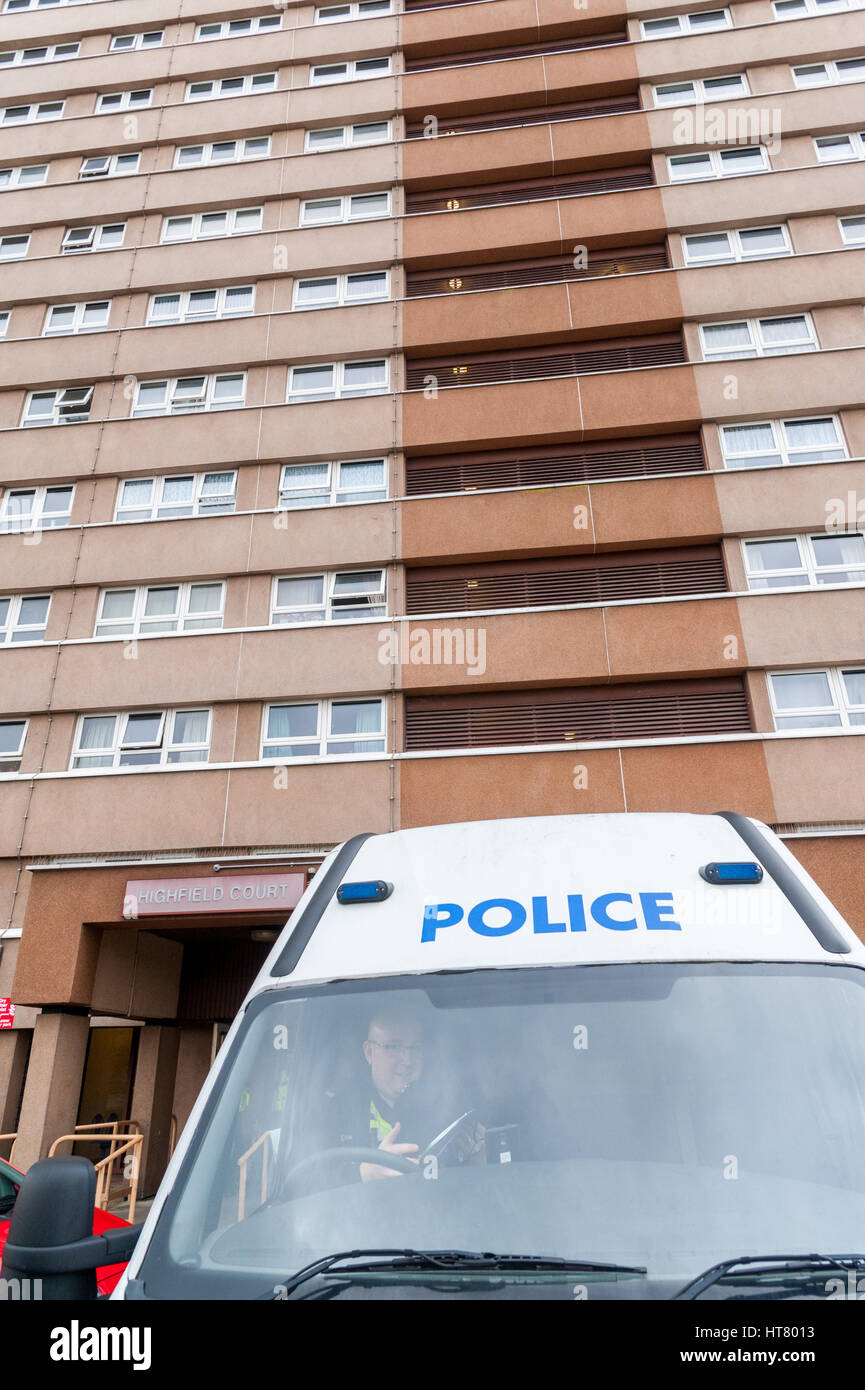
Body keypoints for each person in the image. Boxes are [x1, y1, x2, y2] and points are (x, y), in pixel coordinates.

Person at [328, 1004, 485, 1182]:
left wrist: (478, 1160)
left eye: (415, 1048)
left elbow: (470, 1188)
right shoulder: (336, 1111)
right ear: (369, 1052)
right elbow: (303, 1185)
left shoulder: (449, 1110)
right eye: (393, 1047)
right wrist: (362, 1174)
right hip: (360, 1209)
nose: (407, 1060)